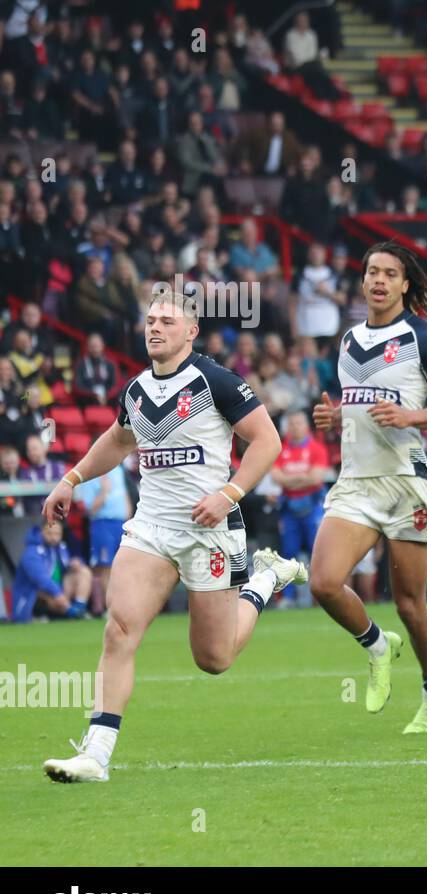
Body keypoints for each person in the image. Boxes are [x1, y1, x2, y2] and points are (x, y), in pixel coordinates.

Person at [40, 291, 306, 784]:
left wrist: (229, 493)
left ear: (191, 332)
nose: (156, 327)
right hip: (151, 529)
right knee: (119, 629)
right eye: (150, 319)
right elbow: (119, 440)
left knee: (214, 659)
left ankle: (264, 581)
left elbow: (268, 441)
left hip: (210, 531)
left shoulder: (217, 381)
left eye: (168, 320)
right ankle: (96, 754)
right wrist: (71, 478)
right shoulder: (137, 390)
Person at [309, 241, 427, 735]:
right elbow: (359, 405)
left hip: (404, 483)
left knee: (409, 604)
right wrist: (335, 418)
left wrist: (413, 415)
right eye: (371, 271)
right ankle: (377, 644)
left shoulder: (423, 337)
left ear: (404, 284)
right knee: (324, 582)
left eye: (389, 273)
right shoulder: (350, 339)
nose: (378, 280)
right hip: (355, 483)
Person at [270, 410, 328, 604]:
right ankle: (288, 598)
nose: (295, 427)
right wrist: (303, 479)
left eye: (299, 423)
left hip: (313, 507)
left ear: (306, 426)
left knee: (318, 553)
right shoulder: (280, 449)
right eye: (292, 424)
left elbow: (316, 478)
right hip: (288, 509)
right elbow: (276, 477)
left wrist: (290, 481)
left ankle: (320, 597)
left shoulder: (317, 448)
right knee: (288, 553)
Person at [71, 462, 133, 616]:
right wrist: (104, 492)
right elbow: (90, 509)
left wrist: (129, 517)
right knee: (105, 568)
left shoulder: (118, 469)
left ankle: (127, 606)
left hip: (121, 523)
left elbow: (123, 493)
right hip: (102, 523)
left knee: (125, 566)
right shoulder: (90, 475)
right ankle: (111, 609)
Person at [11, 521, 92, 623]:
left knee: (83, 571)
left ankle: (79, 609)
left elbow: (69, 564)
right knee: (46, 590)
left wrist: (76, 563)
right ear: (42, 532)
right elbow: (40, 579)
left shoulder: (61, 548)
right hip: (36, 595)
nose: (54, 537)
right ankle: (68, 612)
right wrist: (57, 593)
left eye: (57, 534)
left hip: (59, 593)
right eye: (50, 533)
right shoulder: (31, 552)